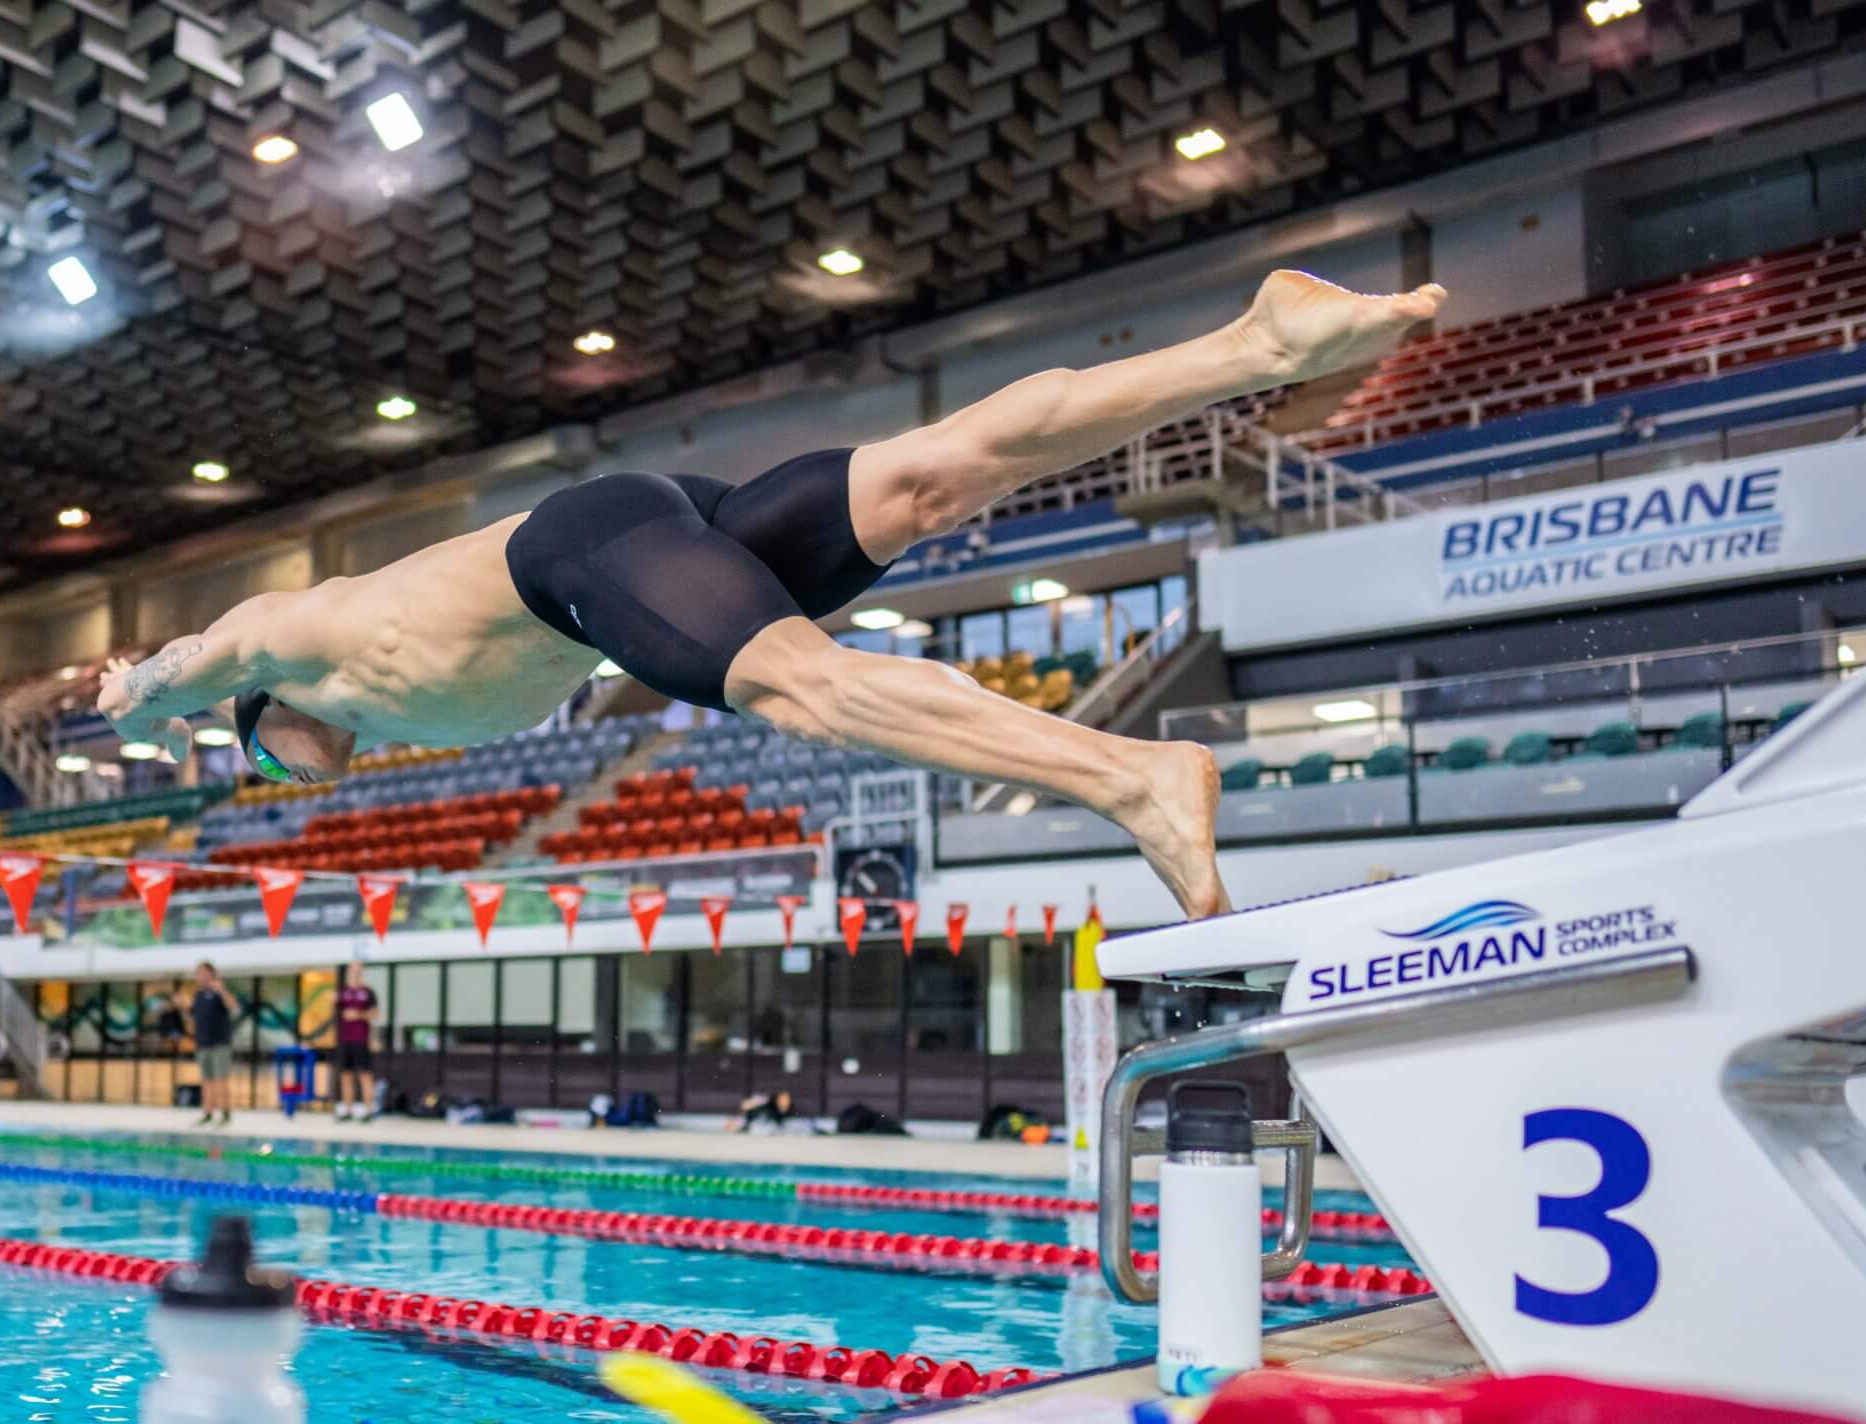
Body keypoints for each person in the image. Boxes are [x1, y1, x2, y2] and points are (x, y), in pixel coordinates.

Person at [97, 272, 1447, 919]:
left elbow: (202, 654)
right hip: (646, 534)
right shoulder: (387, 724)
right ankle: (1256, 339)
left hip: (584, 553)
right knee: (937, 472)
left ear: (259, 712)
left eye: (257, 747)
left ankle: (1130, 776)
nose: (277, 772)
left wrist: (131, 691)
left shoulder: (301, 645)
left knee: (810, 686)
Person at [185, 962, 235, 1127]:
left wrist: (221, 989)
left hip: (220, 1044)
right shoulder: (198, 996)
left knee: (221, 1080)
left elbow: (233, 1007)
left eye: (204, 973)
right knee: (206, 1081)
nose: (201, 976)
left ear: (212, 974)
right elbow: (192, 1019)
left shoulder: (220, 993)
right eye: (199, 973)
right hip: (203, 1044)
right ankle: (207, 1113)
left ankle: (226, 1114)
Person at [330, 965, 379, 1121]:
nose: (355, 974)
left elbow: (376, 1013)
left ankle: (368, 1110)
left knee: (365, 1075)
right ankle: (347, 1110)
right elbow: (335, 1013)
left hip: (361, 1040)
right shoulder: (342, 993)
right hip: (345, 1040)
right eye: (352, 971)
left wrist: (358, 1014)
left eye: (358, 971)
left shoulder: (368, 992)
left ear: (361, 973)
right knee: (346, 1075)